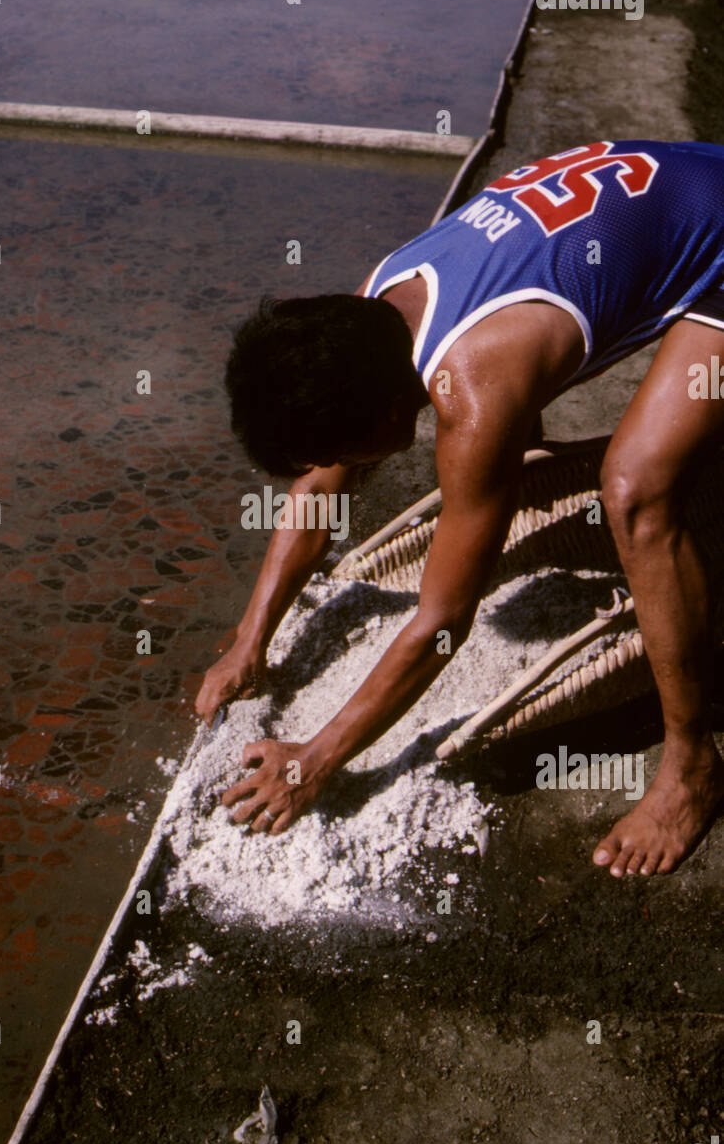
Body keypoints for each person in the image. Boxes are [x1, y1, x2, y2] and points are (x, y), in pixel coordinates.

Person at [195, 139, 724, 877]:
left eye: (340, 450)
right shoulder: (375, 303)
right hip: (692, 177)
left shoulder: (474, 389)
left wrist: (312, 761)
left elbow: (444, 620)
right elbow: (317, 491)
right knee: (534, 436)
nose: (336, 470)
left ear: (382, 421)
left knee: (635, 491)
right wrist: (251, 638)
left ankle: (693, 767)